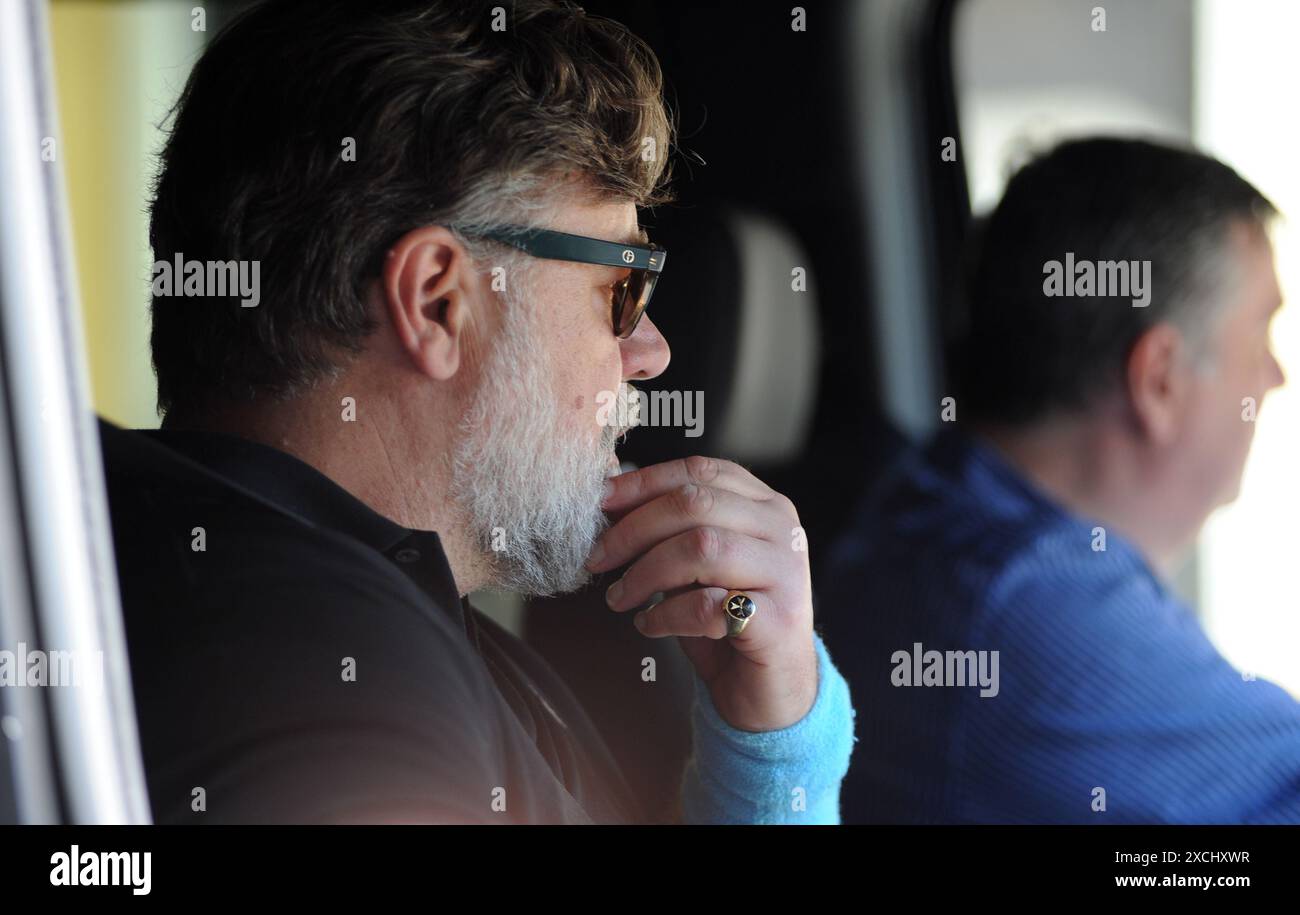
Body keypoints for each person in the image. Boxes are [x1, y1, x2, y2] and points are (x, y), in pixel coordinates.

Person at [101, 0, 854, 824]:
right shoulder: (334, 694)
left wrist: (765, 750)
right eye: (623, 287)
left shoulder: (341, 602)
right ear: (437, 302)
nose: (651, 352)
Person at [823, 136, 1300, 823]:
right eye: (1262, 333)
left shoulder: (932, 508)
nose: (1275, 375)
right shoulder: (1030, 605)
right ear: (1159, 380)